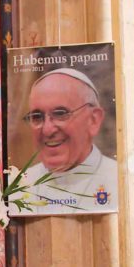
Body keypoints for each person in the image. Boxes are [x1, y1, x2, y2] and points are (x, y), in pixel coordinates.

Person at [17, 67, 117, 213]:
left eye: (60, 114)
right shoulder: (19, 188)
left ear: (93, 120)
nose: (47, 130)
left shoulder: (121, 181)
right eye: (37, 117)